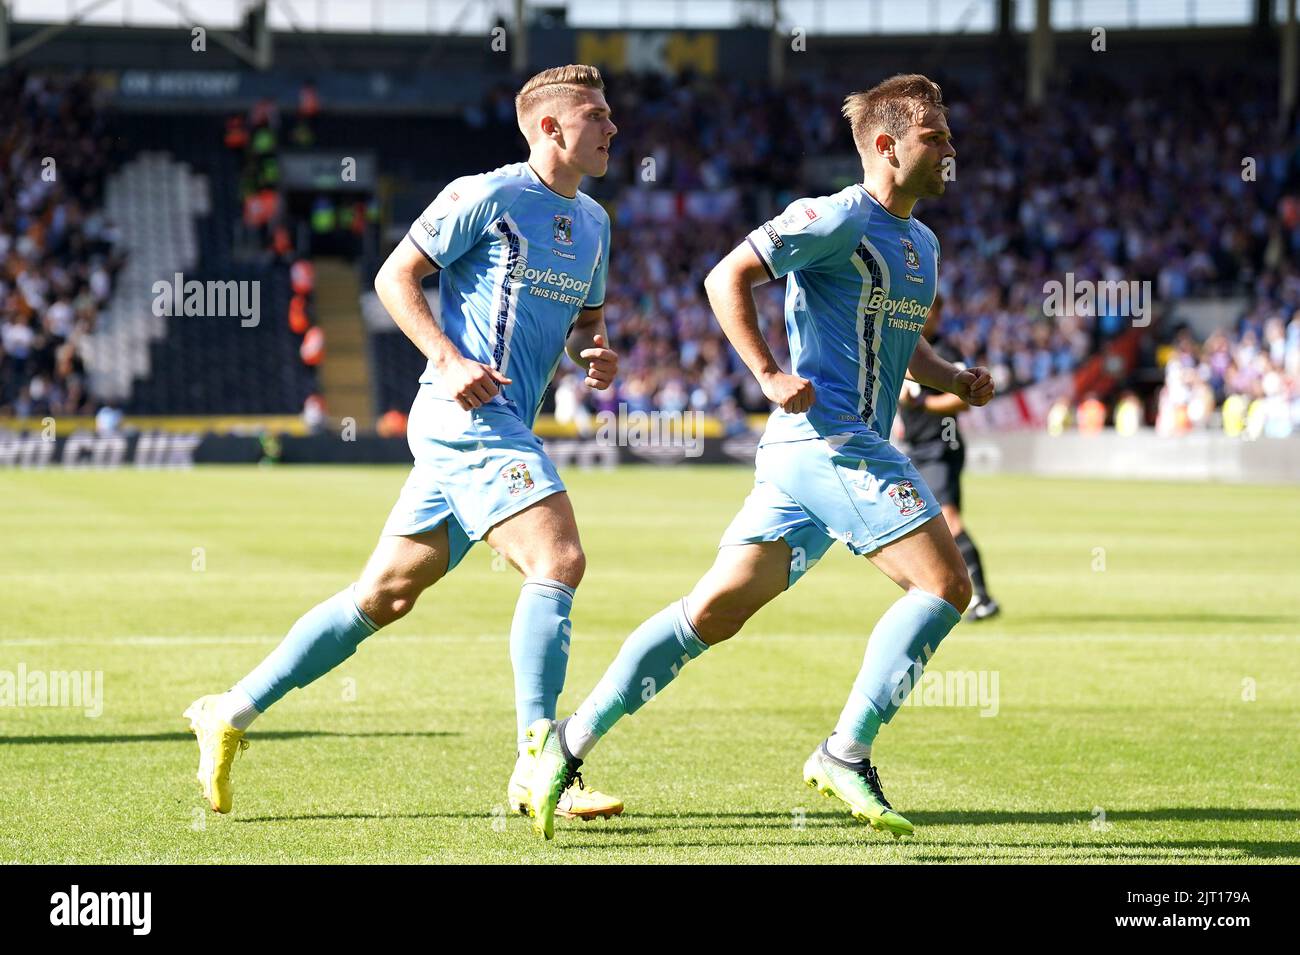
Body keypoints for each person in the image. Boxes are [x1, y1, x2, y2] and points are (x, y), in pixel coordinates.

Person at [527, 74, 994, 841]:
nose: (951, 151)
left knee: (711, 611)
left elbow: (903, 341)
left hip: (807, 460)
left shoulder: (922, 242)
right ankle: (846, 750)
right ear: (886, 145)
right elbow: (725, 276)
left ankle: (566, 745)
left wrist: (952, 378)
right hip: (832, 440)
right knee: (945, 585)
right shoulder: (838, 216)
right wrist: (770, 373)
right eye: (936, 138)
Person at [186, 65, 624, 824]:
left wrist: (598, 350)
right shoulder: (485, 194)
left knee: (382, 596)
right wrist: (447, 359)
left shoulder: (594, 222)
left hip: (503, 423)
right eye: (596, 115)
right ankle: (537, 759)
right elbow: (397, 276)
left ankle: (230, 709)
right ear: (550, 128)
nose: (613, 128)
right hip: (463, 417)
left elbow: (588, 319)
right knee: (558, 559)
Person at [898, 293, 1000, 621]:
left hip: (941, 445)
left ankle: (982, 597)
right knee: (920, 520)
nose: (918, 315)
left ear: (937, 315)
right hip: (918, 446)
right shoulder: (906, 346)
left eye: (925, 311)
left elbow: (962, 399)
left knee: (949, 519)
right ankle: (934, 587)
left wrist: (923, 406)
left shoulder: (943, 352)